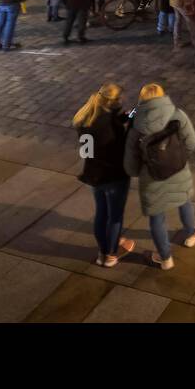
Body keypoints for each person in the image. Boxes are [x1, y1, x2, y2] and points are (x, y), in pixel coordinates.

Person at [123, 83, 195, 269]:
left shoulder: (135, 124)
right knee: (184, 201)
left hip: (152, 177)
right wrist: (179, 158)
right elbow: (191, 141)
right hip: (178, 170)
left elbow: (130, 162)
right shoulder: (177, 114)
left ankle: (165, 258)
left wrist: (140, 172)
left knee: (157, 218)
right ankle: (191, 234)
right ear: (162, 96)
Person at [73, 84, 135, 267]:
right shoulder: (112, 124)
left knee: (101, 213)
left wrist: (130, 114)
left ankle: (102, 251)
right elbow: (124, 146)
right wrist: (132, 120)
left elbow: (86, 153)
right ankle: (111, 255)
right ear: (113, 101)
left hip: (94, 176)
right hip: (115, 176)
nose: (122, 102)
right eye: (120, 99)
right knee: (115, 216)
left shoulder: (85, 119)